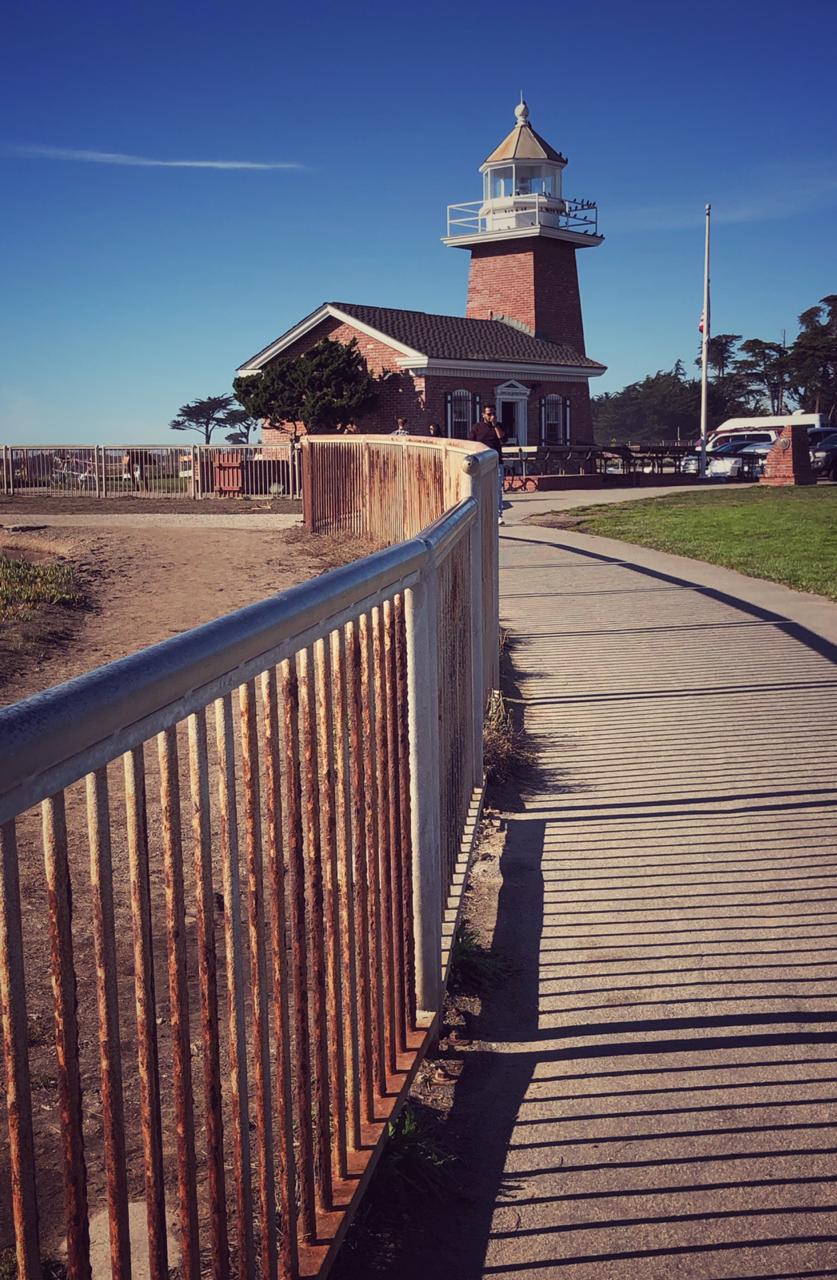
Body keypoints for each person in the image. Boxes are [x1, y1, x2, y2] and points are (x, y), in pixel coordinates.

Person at [470, 405, 508, 524]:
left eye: (493, 414)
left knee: (497, 488)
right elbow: (470, 442)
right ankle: (481, 514)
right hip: (481, 462)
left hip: (497, 462)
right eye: (488, 414)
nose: (491, 416)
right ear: (483, 415)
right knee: (479, 488)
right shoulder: (477, 427)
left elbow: (503, 439)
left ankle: (498, 515)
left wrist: (495, 425)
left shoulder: (499, 426)